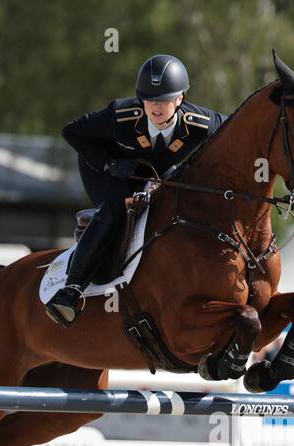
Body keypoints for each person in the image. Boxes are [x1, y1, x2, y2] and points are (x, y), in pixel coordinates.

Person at [44, 54, 228, 327]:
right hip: (106, 172)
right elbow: (72, 131)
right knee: (116, 208)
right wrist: (109, 163)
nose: (155, 106)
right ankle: (71, 290)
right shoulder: (122, 115)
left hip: (152, 174)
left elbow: (239, 127)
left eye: (163, 100)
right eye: (149, 99)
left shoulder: (201, 122)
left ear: (180, 99)